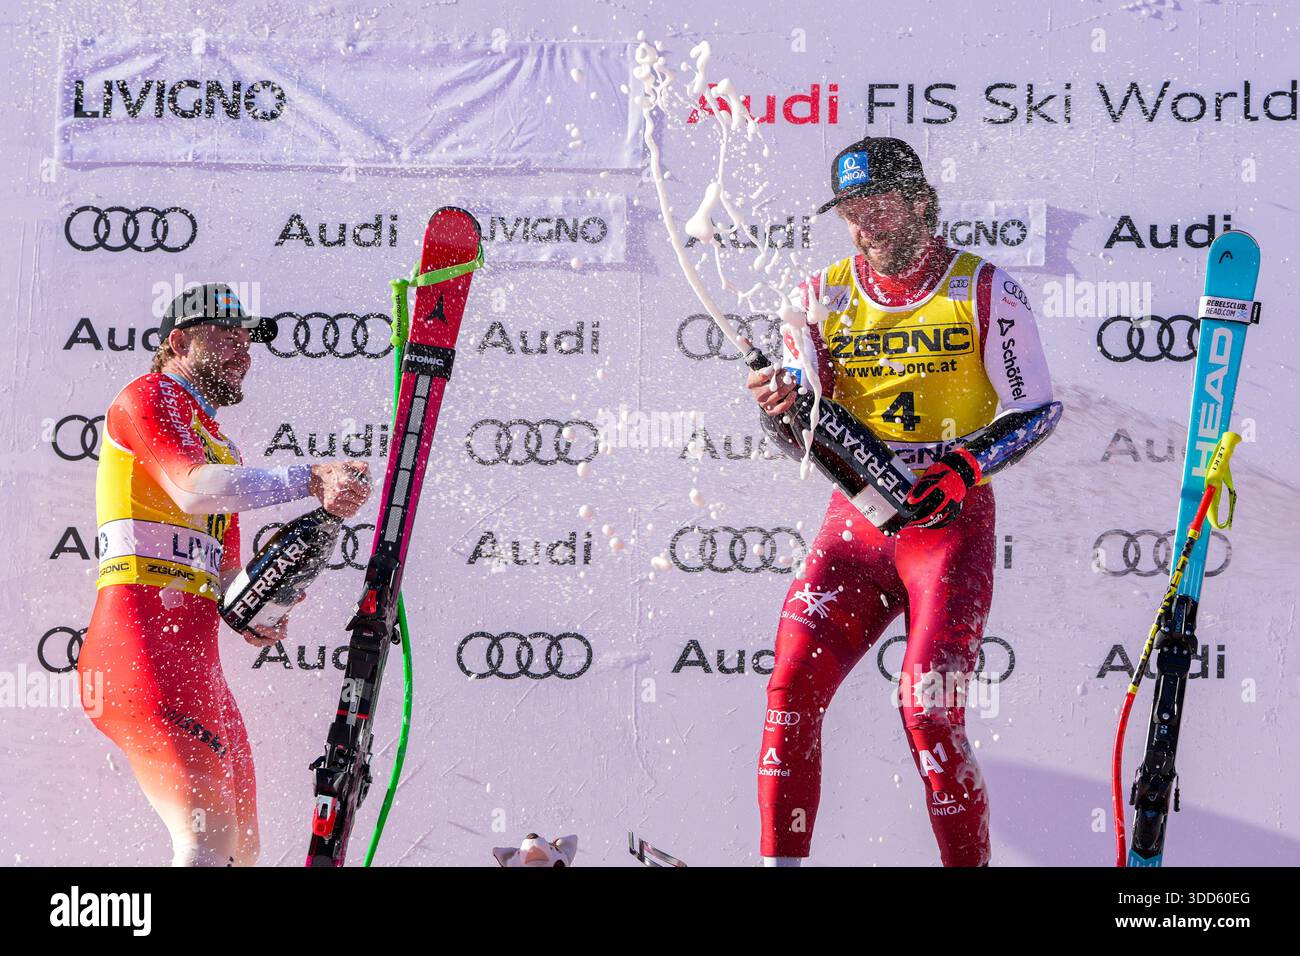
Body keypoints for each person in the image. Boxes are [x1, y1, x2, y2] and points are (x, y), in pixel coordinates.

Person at [749, 137, 1062, 866]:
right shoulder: (816, 296)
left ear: (922, 202)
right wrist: (774, 410)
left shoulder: (982, 289)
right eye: (854, 214)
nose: (868, 226)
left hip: (947, 531)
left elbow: (1038, 411)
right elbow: (804, 435)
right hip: (854, 530)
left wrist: (961, 467)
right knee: (790, 688)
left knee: (928, 711)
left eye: (882, 206)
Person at [77, 283, 371, 866]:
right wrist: (309, 478)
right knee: (206, 847)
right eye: (227, 334)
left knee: (242, 856)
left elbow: (228, 580)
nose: (243, 349)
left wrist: (266, 604)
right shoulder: (147, 395)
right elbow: (188, 488)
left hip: (198, 671)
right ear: (179, 341)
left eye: (249, 339)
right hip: (137, 657)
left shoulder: (222, 447)